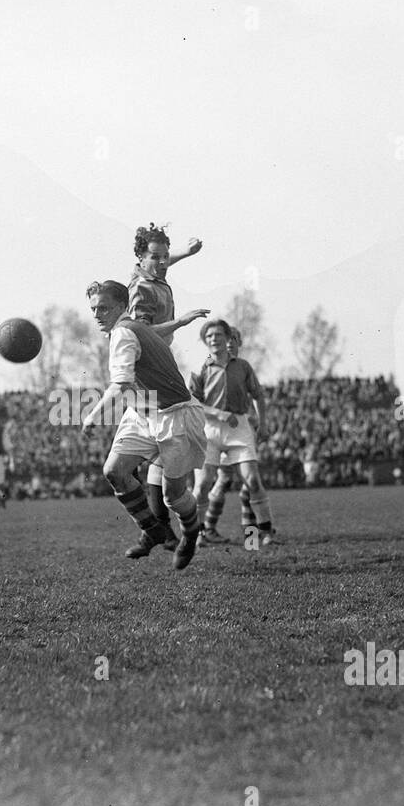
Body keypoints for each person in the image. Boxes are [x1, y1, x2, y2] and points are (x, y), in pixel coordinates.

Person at [81, 280, 207, 569]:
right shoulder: (131, 328)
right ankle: (154, 531)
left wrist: (92, 415)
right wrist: (180, 321)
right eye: (93, 309)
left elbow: (121, 383)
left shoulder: (124, 333)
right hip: (143, 411)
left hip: (175, 415)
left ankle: (190, 532)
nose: (97, 314)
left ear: (121, 307)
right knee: (114, 470)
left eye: (103, 308)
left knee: (173, 496)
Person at [127, 223, 204, 543]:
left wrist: (186, 252)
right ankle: (159, 525)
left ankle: (160, 529)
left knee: (161, 449)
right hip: (148, 368)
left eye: (164, 256)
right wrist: (182, 321)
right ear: (141, 258)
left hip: (157, 363)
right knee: (160, 446)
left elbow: (164, 261)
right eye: (155, 257)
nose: (162, 262)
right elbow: (141, 332)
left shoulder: (153, 273)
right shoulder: (142, 288)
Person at [190, 319, 276, 545]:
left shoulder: (242, 366)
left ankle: (261, 534)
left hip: (238, 427)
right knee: (207, 483)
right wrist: (218, 414)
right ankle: (202, 532)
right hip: (210, 429)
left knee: (250, 482)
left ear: (229, 339)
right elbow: (193, 402)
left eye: (219, 335)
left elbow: (258, 395)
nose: (214, 340)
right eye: (209, 337)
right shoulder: (202, 368)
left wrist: (263, 424)